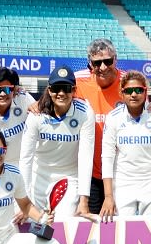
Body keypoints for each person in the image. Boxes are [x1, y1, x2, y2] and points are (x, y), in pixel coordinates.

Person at [20, 66, 95, 219]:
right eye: (56, 88)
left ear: (74, 90)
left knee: (62, 223)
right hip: (38, 176)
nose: (61, 93)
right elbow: (26, 158)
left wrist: (84, 200)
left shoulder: (85, 113)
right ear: (49, 90)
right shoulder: (36, 115)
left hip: (69, 177)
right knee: (35, 225)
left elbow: (86, 157)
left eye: (66, 88)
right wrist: (23, 201)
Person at [101, 70, 151, 217]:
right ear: (122, 94)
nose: (133, 94)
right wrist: (108, 196)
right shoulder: (112, 118)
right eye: (128, 91)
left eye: (138, 90)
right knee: (120, 234)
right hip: (122, 185)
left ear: (146, 92)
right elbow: (107, 158)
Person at [74, 38, 125, 212]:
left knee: (121, 230)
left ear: (115, 60)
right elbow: (54, 95)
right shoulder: (78, 82)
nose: (103, 67)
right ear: (90, 64)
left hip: (120, 174)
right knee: (92, 229)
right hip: (91, 174)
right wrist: (34, 104)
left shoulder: (128, 83)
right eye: (97, 63)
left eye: (108, 61)